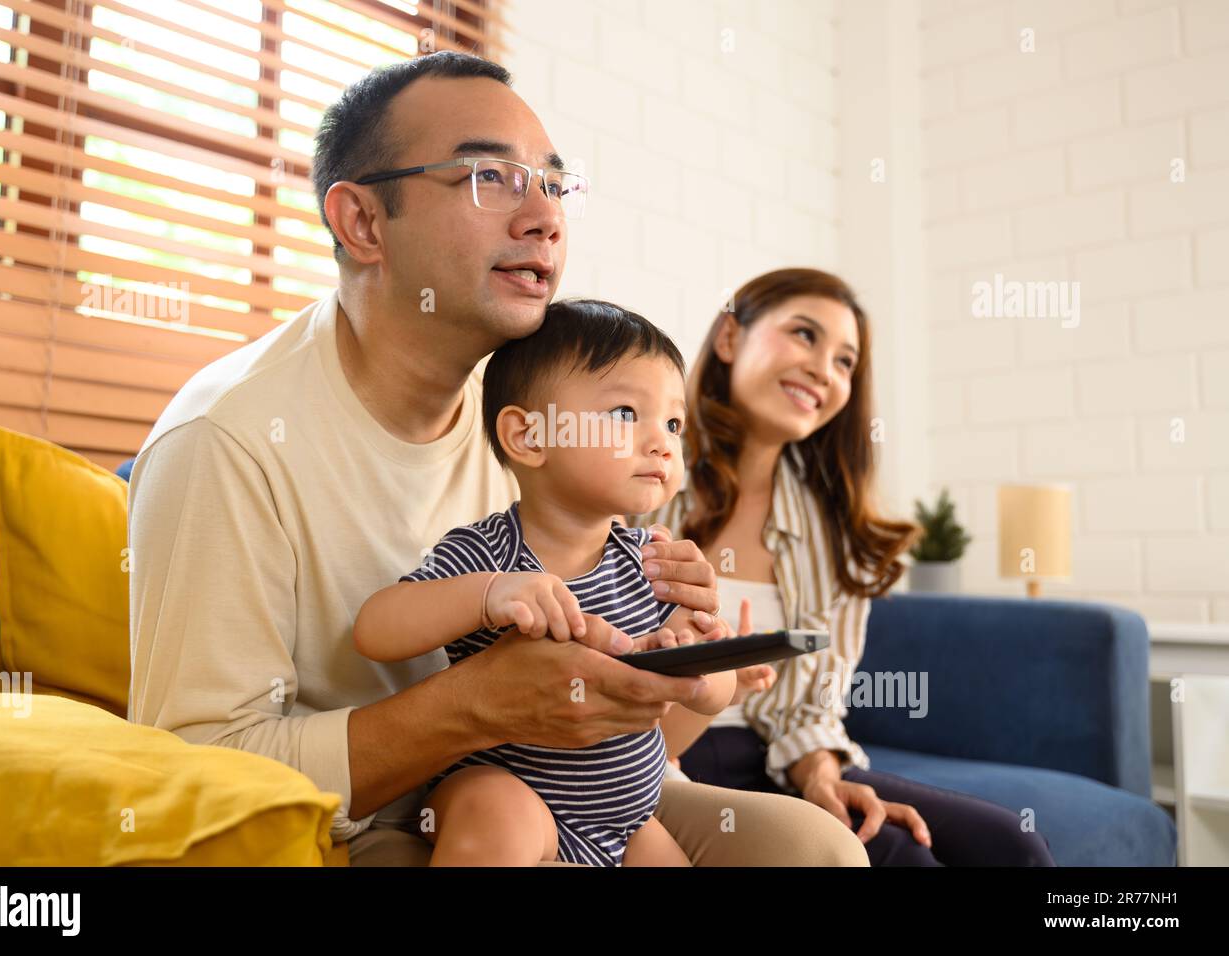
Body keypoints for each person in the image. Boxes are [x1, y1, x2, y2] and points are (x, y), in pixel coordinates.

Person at [127, 53, 868, 867]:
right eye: (490, 177)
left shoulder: (544, 418)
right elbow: (194, 774)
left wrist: (679, 666)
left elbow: (635, 728)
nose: (545, 217)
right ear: (363, 223)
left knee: (814, 850)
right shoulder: (225, 438)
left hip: (581, 790)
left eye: (555, 185)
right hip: (388, 816)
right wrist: (473, 709)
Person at [637, 267, 1056, 866]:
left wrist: (818, 772)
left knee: (1012, 847)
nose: (823, 369)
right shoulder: (645, 476)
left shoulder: (830, 525)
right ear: (729, 339)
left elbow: (816, 701)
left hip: (780, 754)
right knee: (906, 860)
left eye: (845, 362)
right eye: (804, 335)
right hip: (673, 758)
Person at [356, 299, 736, 866]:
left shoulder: (652, 561)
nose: (662, 442)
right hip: (507, 791)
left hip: (626, 819)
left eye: (673, 423)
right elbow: (375, 629)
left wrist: (694, 669)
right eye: (627, 415)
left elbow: (713, 693)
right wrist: (487, 596)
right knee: (497, 816)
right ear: (529, 436)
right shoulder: (491, 553)